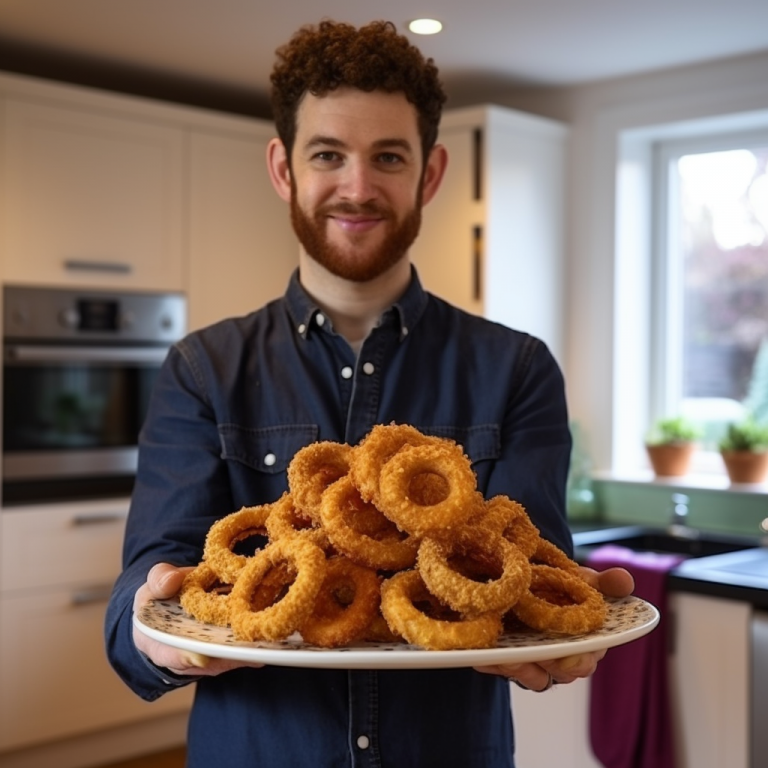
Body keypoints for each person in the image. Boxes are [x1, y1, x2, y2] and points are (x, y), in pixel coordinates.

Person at [105, 19, 633, 768]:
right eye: (328, 155)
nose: (358, 187)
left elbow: (526, 566)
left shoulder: (517, 368)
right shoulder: (202, 367)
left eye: (388, 156)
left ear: (431, 173)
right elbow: (151, 581)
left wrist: (565, 637)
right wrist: (150, 627)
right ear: (284, 169)